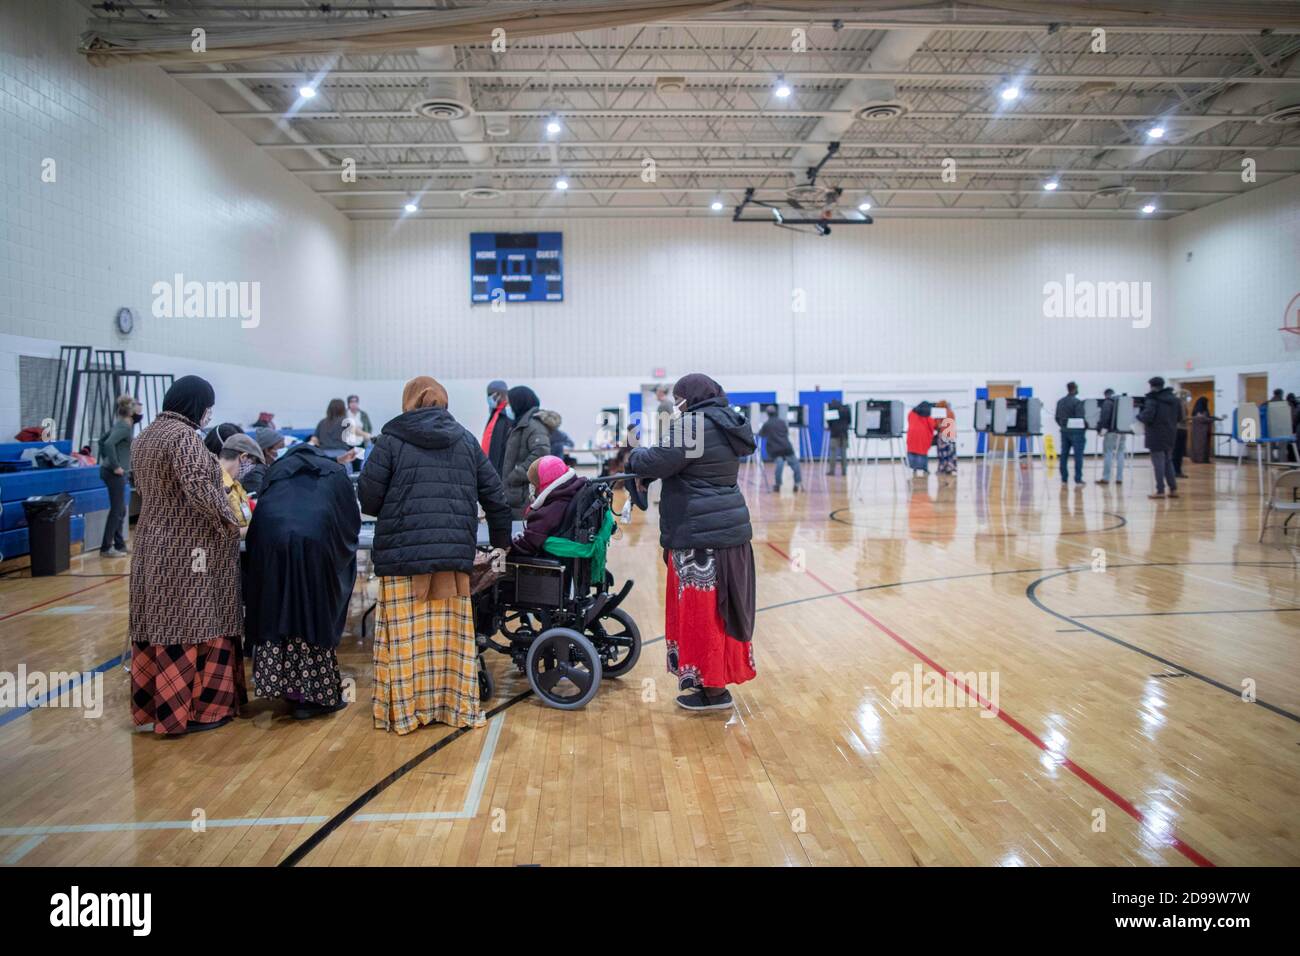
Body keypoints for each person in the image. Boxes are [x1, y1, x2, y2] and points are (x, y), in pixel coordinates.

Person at [357, 376, 512, 734]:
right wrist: (501, 546)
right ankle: (453, 708)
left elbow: (368, 499)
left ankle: (407, 712)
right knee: (448, 641)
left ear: (408, 401)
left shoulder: (390, 441)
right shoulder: (465, 440)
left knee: (407, 642)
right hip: (452, 560)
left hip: (402, 561)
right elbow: (497, 498)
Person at [627, 374, 756, 712]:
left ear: (691, 397)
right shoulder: (727, 421)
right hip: (728, 528)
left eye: (679, 396)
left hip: (701, 534)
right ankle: (714, 681)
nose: (677, 402)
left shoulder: (694, 425)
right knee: (721, 611)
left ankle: (713, 690)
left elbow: (660, 460)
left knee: (702, 614)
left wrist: (635, 454)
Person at [128, 375, 246, 737]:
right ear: (198, 405)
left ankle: (160, 707)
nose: (210, 414)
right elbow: (199, 488)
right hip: (189, 548)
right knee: (196, 623)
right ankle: (199, 709)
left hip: (151, 543)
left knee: (161, 623)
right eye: (208, 406)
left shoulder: (145, 437)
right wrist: (233, 522)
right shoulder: (184, 439)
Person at [244, 441, 360, 720]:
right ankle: (313, 695)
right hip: (315, 546)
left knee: (278, 611)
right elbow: (350, 519)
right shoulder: (334, 471)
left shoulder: (277, 470)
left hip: (272, 545)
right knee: (311, 614)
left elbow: (260, 513)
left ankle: (283, 688)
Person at [511, 455, 585, 557]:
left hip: (552, 564)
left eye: (533, 485)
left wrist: (506, 548)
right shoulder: (573, 490)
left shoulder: (550, 511)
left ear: (542, 485)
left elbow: (527, 545)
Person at [97, 393, 140, 557]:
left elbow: (101, 441)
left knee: (121, 510)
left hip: (111, 471)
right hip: (114, 473)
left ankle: (119, 545)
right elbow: (108, 443)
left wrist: (106, 460)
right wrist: (114, 465)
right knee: (117, 510)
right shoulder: (124, 427)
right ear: (130, 411)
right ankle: (106, 548)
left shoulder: (121, 424)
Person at [499, 385, 551, 517]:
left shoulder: (533, 426)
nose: (507, 407)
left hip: (524, 496)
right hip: (515, 496)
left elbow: (541, 454)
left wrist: (516, 474)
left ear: (519, 402)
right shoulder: (520, 424)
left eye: (509, 403)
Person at [1139, 376, 1183, 499]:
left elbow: (1147, 416)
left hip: (1155, 435)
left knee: (1158, 463)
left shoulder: (1153, 399)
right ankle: (1173, 489)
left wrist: (1139, 417)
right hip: (1170, 434)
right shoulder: (1175, 400)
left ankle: (1160, 490)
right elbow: (1180, 417)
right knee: (1168, 461)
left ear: (1152, 386)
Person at [217, 433, 263, 532]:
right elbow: (225, 531)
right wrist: (258, 530)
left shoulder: (237, 485)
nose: (251, 469)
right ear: (243, 457)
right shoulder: (214, 483)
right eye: (252, 464)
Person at [758, 405, 801, 492]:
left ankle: (778, 485)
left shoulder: (767, 424)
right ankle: (797, 483)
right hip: (787, 447)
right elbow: (786, 431)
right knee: (795, 465)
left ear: (767, 414)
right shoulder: (782, 422)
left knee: (779, 466)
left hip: (775, 449)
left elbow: (761, 434)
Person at [1055, 382, 1087, 485]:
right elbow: (1080, 418)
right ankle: (1078, 479)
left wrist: (1063, 426)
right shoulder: (1077, 402)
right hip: (1077, 432)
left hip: (1064, 431)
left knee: (1064, 455)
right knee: (1078, 456)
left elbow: (1056, 417)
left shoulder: (1060, 402)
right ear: (1075, 389)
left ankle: (1064, 479)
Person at [243, 426, 288, 495]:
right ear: (267, 450)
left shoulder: (271, 467)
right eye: (281, 447)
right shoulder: (254, 474)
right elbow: (264, 497)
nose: (285, 450)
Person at [481, 380, 512, 476]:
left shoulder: (508, 415)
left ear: (497, 395)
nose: (488, 398)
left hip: (499, 472)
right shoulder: (495, 414)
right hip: (489, 469)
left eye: (489, 395)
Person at [1096, 388, 1126, 484]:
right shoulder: (1123, 401)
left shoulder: (1108, 402)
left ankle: (1106, 477)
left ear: (1106, 395)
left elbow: (1105, 417)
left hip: (1111, 432)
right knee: (1120, 453)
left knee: (1108, 453)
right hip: (1123, 431)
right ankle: (1119, 478)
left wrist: (1101, 430)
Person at [905, 401, 936, 477]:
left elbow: (908, 420)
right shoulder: (926, 415)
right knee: (922, 452)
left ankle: (914, 468)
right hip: (923, 436)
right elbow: (933, 425)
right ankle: (924, 469)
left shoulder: (911, 413)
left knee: (912, 451)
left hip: (912, 435)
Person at [1189, 396, 1219, 464]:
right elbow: (1203, 419)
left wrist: (1213, 417)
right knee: (1200, 446)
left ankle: (1203, 459)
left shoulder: (1197, 410)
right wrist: (1214, 419)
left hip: (1201, 431)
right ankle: (1200, 459)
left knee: (1203, 445)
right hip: (1200, 431)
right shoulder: (1199, 411)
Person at [825, 397, 850, 476]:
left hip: (834, 434)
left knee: (833, 453)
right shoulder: (846, 409)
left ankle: (832, 471)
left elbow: (829, 422)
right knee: (844, 453)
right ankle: (844, 471)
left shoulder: (831, 410)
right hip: (844, 434)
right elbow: (849, 421)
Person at [934, 400, 957, 479]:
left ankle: (942, 468)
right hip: (951, 435)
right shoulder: (951, 412)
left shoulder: (940, 413)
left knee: (943, 453)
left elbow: (937, 425)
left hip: (943, 435)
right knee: (951, 452)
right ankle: (951, 467)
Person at [1172, 390, 1191, 477]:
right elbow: (1182, 418)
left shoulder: (1174, 403)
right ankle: (1177, 471)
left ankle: (1175, 470)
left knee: (1176, 451)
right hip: (1181, 429)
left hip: (1175, 429)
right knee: (1178, 452)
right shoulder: (1181, 403)